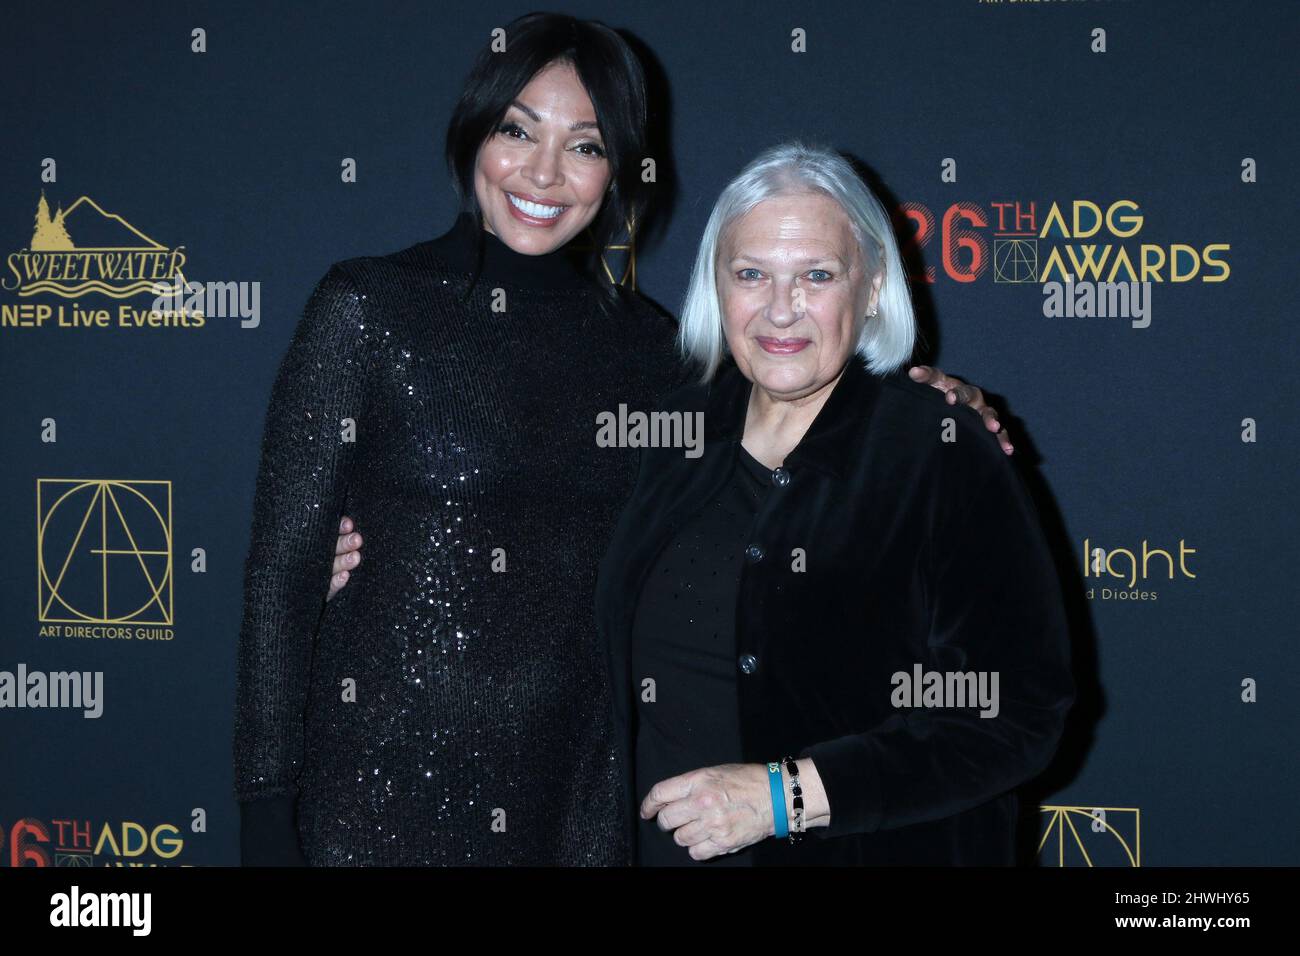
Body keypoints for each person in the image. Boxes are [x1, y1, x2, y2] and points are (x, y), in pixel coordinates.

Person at [236, 12, 1014, 867]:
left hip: (579, 795)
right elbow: (280, 577)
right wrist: (268, 810)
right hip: (378, 791)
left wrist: (930, 397)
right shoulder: (368, 310)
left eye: (585, 145)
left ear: (618, 171)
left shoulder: (655, 352)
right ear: (473, 136)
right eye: (517, 130)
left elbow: (798, 387)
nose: (543, 173)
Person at [592, 141, 1075, 865]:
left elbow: (1012, 713)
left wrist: (784, 798)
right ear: (715, 285)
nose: (780, 309)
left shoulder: (937, 448)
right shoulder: (672, 433)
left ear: (872, 286)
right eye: (751, 274)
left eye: (817, 275)